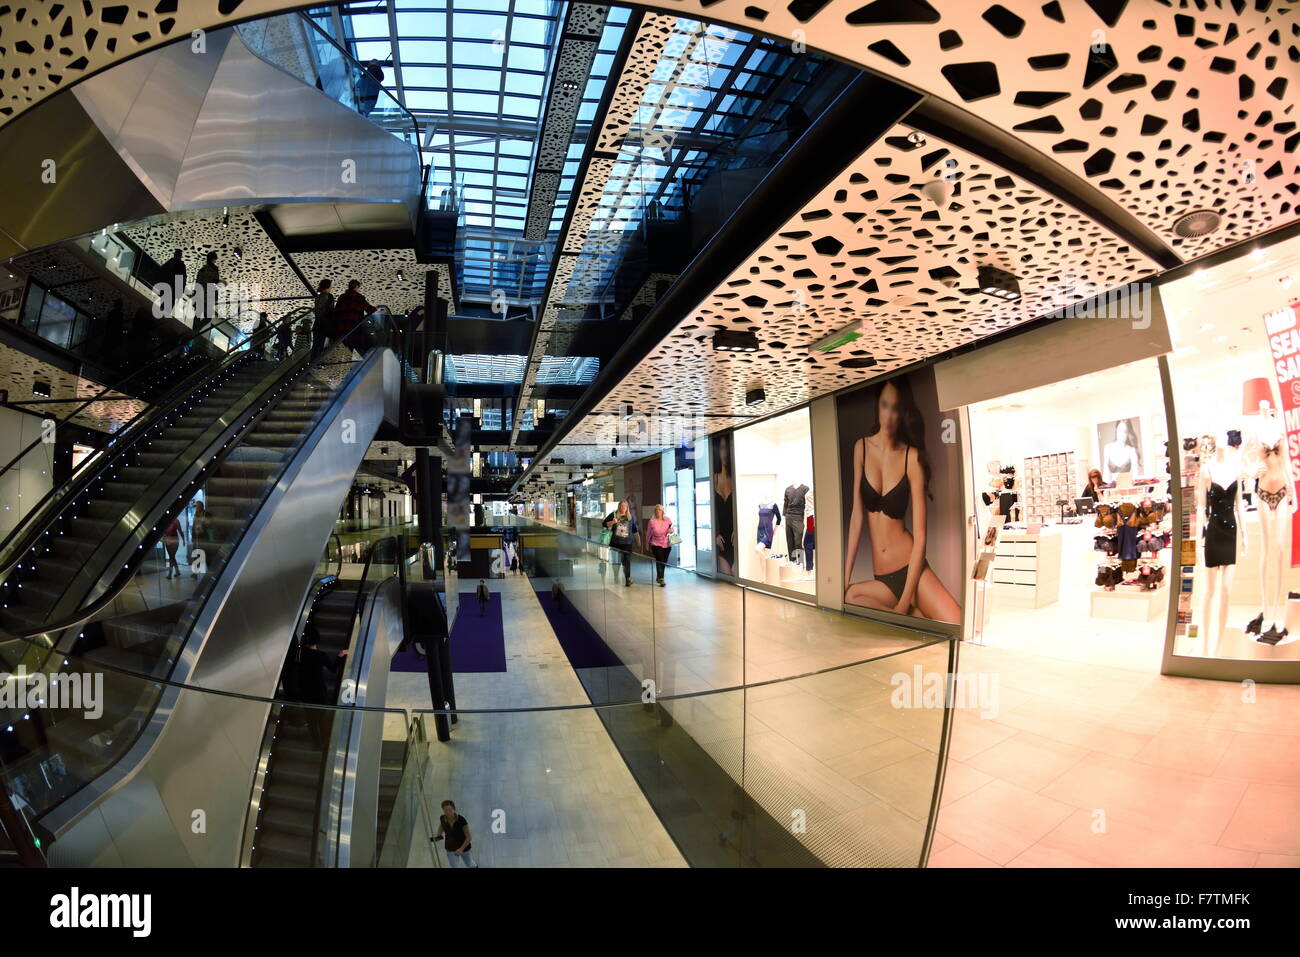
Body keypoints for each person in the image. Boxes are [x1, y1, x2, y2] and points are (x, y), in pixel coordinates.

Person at [843, 378, 960, 623]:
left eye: (895, 408)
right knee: (850, 595)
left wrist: (904, 602)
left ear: (903, 411)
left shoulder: (911, 457)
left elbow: (921, 537)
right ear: (877, 406)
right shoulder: (861, 448)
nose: (889, 415)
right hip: (883, 578)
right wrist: (844, 577)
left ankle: (914, 610)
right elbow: (856, 517)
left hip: (911, 569)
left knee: (955, 621)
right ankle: (918, 616)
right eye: (885, 405)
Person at [602, 500, 641, 587]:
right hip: (615, 543)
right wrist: (613, 522)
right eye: (621, 506)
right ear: (619, 507)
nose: (623, 508)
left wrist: (638, 541)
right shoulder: (614, 515)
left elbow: (635, 530)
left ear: (627, 508)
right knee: (616, 561)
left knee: (627, 561)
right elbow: (604, 524)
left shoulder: (631, 518)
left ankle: (628, 579)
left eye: (625, 506)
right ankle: (616, 576)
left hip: (627, 543)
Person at [712, 436, 736, 576]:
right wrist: (715, 534)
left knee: (735, 573)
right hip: (721, 540)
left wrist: (737, 530)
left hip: (734, 538)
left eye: (727, 448)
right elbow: (712, 512)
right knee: (727, 577)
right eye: (721, 448)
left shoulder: (734, 478)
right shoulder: (714, 479)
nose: (724, 453)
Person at [333, 279, 376, 352]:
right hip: (354, 328)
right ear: (356, 287)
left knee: (341, 349)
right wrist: (376, 309)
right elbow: (369, 309)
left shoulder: (342, 297)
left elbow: (336, 312)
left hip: (341, 329)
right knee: (353, 349)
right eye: (358, 288)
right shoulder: (359, 298)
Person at [434, 800, 475, 868]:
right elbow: (441, 826)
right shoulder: (443, 818)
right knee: (455, 866)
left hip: (464, 848)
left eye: (450, 810)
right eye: (445, 810)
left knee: (470, 864)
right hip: (450, 848)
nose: (448, 812)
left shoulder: (461, 820)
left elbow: (469, 837)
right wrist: (439, 835)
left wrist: (460, 849)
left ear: (454, 809)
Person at [1102, 419, 1142, 484]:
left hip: (1127, 488)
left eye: (1125, 431)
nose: (1122, 434)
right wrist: (1106, 489)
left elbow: (1135, 475)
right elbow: (1106, 473)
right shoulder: (1108, 448)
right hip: (1112, 489)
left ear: (1128, 433)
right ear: (1116, 430)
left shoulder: (1131, 450)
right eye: (1119, 431)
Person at [646, 505, 674, 587]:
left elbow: (672, 529)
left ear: (663, 511)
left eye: (660, 510)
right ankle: (661, 578)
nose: (658, 511)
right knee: (660, 560)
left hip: (667, 543)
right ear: (655, 512)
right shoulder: (652, 522)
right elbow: (648, 533)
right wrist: (647, 543)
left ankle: (660, 577)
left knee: (663, 562)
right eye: (657, 510)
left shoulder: (667, 520)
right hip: (656, 543)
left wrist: (671, 530)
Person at [310, 278, 335, 362]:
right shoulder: (329, 296)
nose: (331, 288)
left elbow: (316, 311)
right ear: (327, 286)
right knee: (321, 345)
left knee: (315, 345)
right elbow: (331, 311)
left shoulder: (318, 296)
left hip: (317, 324)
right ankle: (317, 363)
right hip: (324, 325)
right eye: (330, 286)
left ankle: (312, 363)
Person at [194, 252, 220, 325]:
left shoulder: (203, 269)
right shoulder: (213, 270)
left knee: (198, 315)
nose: (215, 261)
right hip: (207, 296)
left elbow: (198, 282)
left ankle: (194, 331)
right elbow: (215, 283)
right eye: (215, 259)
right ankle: (195, 331)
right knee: (207, 317)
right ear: (213, 259)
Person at [190, 501, 211, 578]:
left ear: (202, 506)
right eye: (196, 506)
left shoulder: (206, 514)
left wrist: (203, 525)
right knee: (196, 555)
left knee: (206, 555)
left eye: (198, 506)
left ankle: (210, 571)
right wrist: (192, 537)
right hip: (196, 538)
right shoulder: (195, 515)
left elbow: (209, 524)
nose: (197, 508)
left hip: (204, 537)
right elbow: (193, 526)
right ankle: (195, 573)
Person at [162, 514, 185, 580]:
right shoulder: (165, 522)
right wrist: (164, 538)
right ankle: (177, 571)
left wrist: (183, 540)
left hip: (174, 540)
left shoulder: (176, 521)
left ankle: (170, 573)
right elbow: (163, 532)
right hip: (168, 541)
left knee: (171, 557)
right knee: (172, 557)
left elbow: (180, 531)